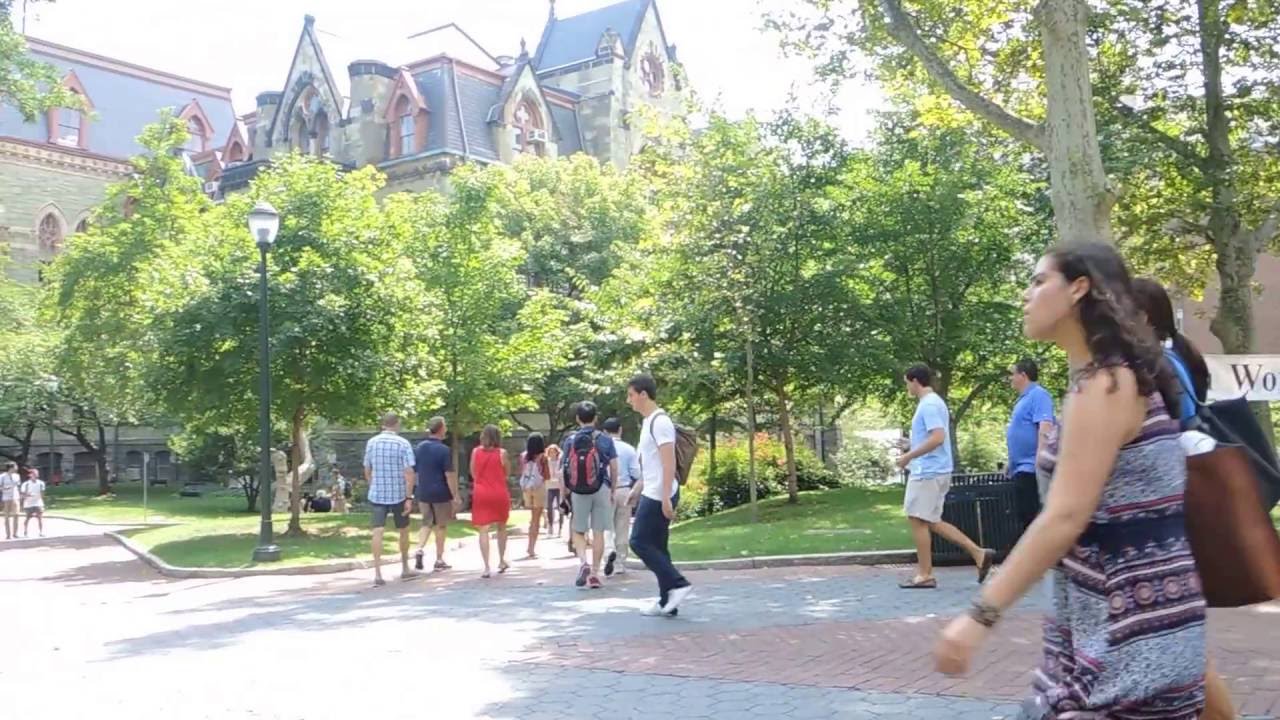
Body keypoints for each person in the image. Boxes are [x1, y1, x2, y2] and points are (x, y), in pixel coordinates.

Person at [934, 243, 1206, 719]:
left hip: (1121, 645)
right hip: (1132, 633)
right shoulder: (1114, 377)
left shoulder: (1105, 384)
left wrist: (979, 617)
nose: (1026, 294)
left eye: (1039, 281)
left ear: (1079, 288)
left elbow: (1065, 516)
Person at [1132, 277, 1235, 720]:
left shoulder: (1158, 363)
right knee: (1178, 641)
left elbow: (1176, 425)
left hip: (1171, 507)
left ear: (1142, 316)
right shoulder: (1174, 357)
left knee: (1179, 643)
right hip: (1177, 504)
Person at [895, 364, 995, 589]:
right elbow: (933, 438)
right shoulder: (934, 402)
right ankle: (978, 553)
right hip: (935, 469)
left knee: (917, 518)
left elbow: (938, 438)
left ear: (915, 381)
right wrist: (912, 444)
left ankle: (925, 574)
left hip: (927, 472)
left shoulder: (929, 404)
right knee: (931, 520)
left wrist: (907, 456)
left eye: (907, 383)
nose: (907, 387)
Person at [627, 373, 693, 616]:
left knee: (638, 542)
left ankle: (678, 583)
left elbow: (668, 463)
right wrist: (637, 488)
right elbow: (651, 463)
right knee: (659, 547)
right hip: (652, 489)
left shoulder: (660, 422)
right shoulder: (648, 422)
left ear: (644, 394)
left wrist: (665, 497)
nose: (628, 400)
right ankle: (667, 602)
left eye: (631, 395)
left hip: (659, 493)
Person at [560, 401, 618, 589]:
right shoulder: (605, 439)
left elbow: (563, 470)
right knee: (598, 531)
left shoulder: (570, 440)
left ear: (578, 418)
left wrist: (564, 493)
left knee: (578, 529)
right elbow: (614, 466)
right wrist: (613, 488)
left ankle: (583, 561)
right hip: (601, 487)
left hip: (578, 490)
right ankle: (594, 573)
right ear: (596, 418)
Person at [362, 412, 419, 587]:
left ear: (383, 424)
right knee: (403, 529)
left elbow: (367, 468)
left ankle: (377, 573)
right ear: (397, 423)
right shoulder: (403, 443)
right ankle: (405, 567)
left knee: (377, 531)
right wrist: (409, 496)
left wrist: (373, 484)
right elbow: (409, 472)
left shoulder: (372, 442)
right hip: (399, 493)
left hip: (378, 493)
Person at [1005, 358, 1056, 529]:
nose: (1010, 378)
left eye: (1012, 374)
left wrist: (1041, 459)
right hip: (1020, 468)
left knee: (1033, 519)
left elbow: (1045, 426)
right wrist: (1011, 462)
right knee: (1025, 517)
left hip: (1032, 469)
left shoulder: (1039, 395)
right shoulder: (1023, 400)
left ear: (1023, 375)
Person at [413, 416, 458, 572]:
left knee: (426, 522)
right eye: (445, 426)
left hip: (424, 490)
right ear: (441, 429)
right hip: (440, 491)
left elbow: (415, 471)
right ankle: (439, 559)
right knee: (441, 525)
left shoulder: (419, 448)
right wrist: (455, 495)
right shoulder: (444, 450)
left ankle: (419, 548)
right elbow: (449, 474)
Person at [470, 424, 512, 578]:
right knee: (501, 527)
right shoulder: (502, 453)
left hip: (481, 493)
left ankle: (486, 567)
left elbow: (473, 472)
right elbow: (507, 473)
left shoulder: (475, 452)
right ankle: (501, 560)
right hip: (499, 492)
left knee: (483, 530)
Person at [602, 417, 641, 576]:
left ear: (604, 432)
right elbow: (637, 473)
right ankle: (619, 563)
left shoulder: (601, 448)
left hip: (605, 490)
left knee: (606, 526)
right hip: (624, 490)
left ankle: (608, 550)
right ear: (620, 430)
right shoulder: (629, 449)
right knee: (622, 527)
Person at [517, 433, 550, 560]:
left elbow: (521, 472)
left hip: (526, 488)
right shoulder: (543, 457)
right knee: (536, 519)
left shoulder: (523, 456)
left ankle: (529, 545)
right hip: (538, 487)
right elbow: (546, 475)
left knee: (532, 517)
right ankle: (531, 547)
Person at [544, 443, 564, 538]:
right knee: (549, 507)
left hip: (559, 486)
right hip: (550, 486)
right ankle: (550, 527)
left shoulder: (560, 461)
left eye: (554, 452)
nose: (552, 454)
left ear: (557, 452)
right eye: (550, 452)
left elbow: (562, 472)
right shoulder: (546, 461)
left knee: (561, 508)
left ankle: (560, 528)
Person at [20, 468, 45, 537]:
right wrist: (28, 495)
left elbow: (42, 493)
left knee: (40, 517)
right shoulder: (26, 484)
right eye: (34, 473)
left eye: (36, 473)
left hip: (38, 502)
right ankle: (25, 531)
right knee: (28, 517)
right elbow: (22, 494)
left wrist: (40, 497)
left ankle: (41, 532)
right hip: (28, 503)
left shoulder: (41, 483)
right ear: (30, 475)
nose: (35, 475)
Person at [1, 462, 21, 540]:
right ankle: (8, 534)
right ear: (11, 467)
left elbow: (18, 486)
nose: (17, 467)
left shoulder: (17, 476)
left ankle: (15, 533)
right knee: (7, 517)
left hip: (15, 497)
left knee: (16, 515)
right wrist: (5, 488)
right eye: (16, 466)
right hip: (6, 498)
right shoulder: (2, 476)